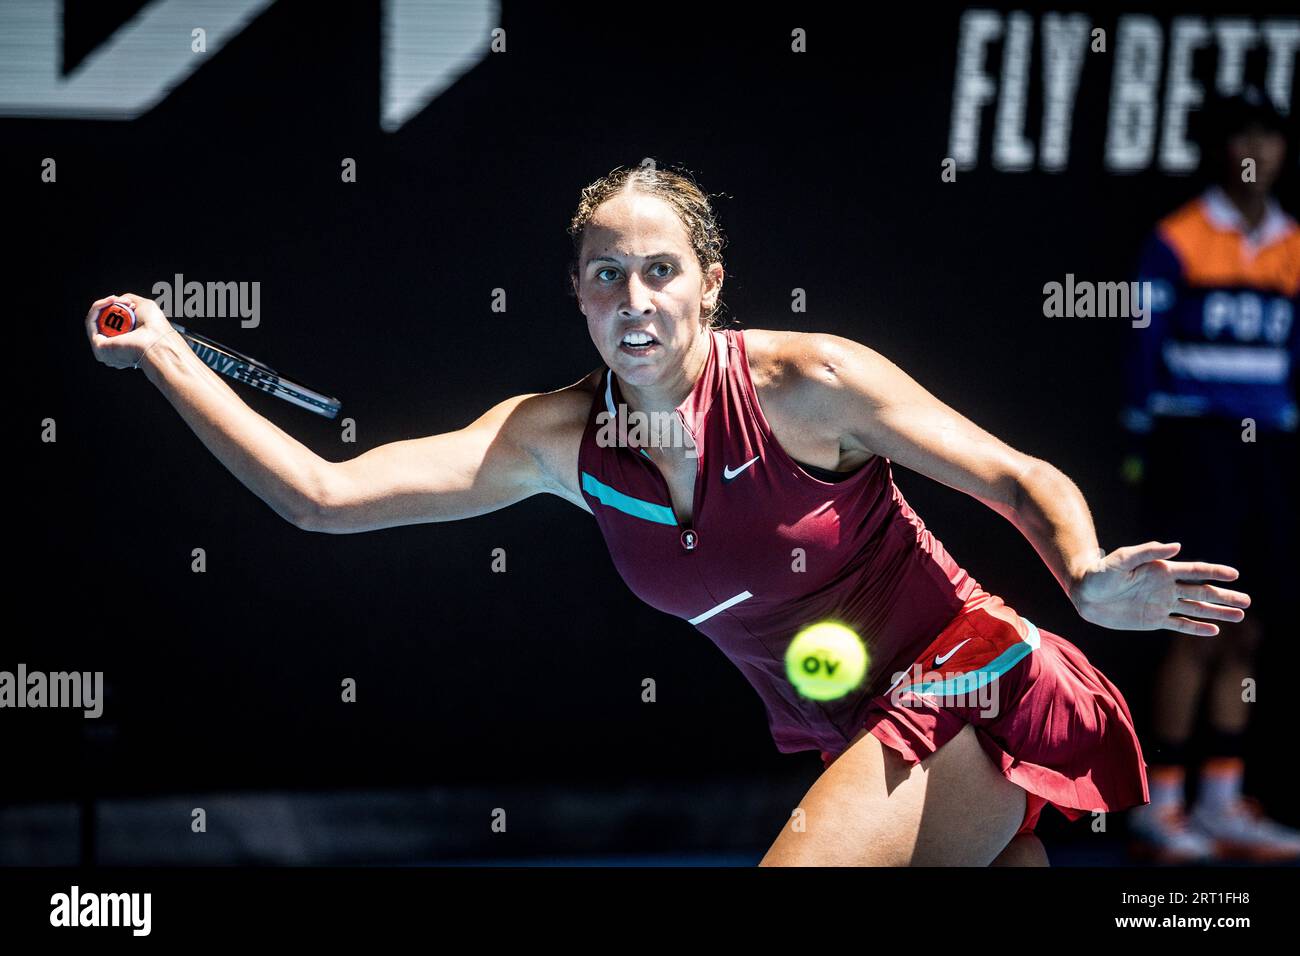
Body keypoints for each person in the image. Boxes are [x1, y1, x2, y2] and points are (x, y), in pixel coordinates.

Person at [86, 163, 1250, 866]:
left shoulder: (808, 383)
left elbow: (1014, 474)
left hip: (969, 674)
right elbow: (322, 498)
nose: (632, 299)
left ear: (708, 279)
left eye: (657, 270)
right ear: (576, 296)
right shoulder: (558, 438)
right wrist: (173, 360)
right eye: (604, 275)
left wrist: (1087, 570)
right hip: (862, 725)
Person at [1121, 88, 1300, 863]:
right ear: (1222, 149)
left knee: (1248, 628)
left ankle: (1222, 802)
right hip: (1197, 447)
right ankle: (1160, 809)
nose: (1259, 150)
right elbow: (1140, 349)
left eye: (1272, 134)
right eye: (1245, 135)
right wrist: (1139, 440)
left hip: (1270, 457)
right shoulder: (1178, 239)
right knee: (1193, 623)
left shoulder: (1295, 241)